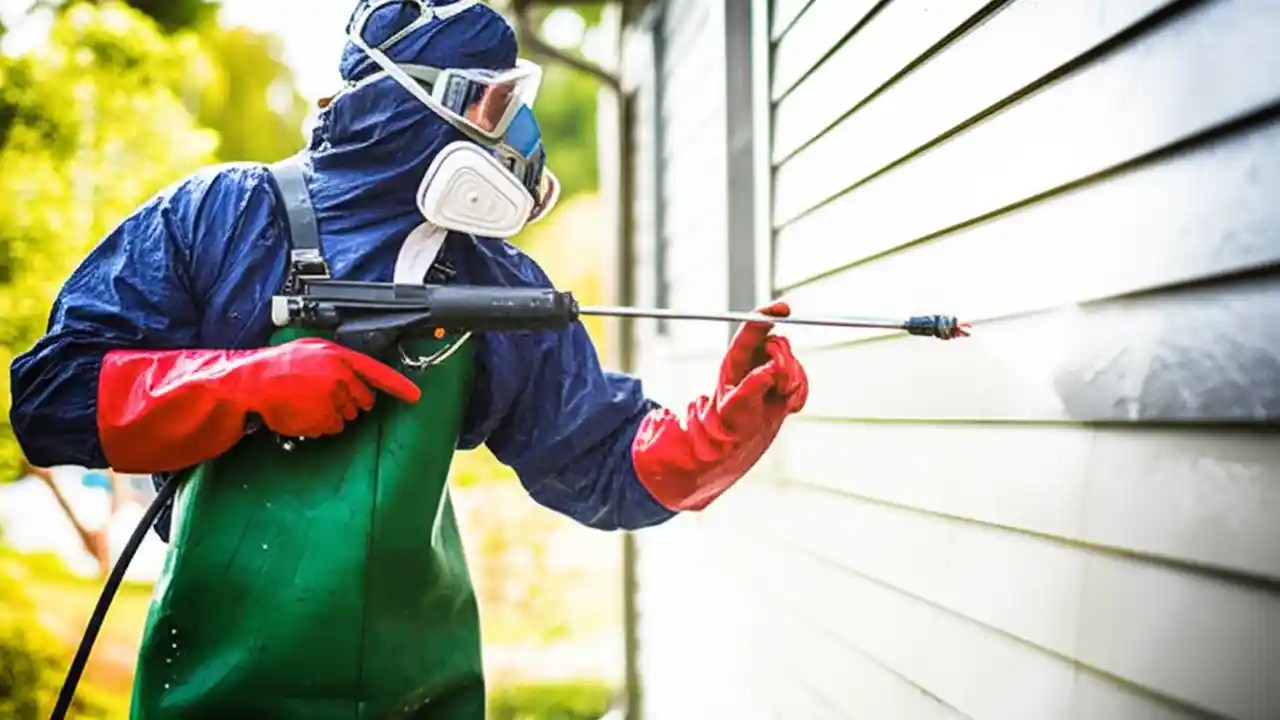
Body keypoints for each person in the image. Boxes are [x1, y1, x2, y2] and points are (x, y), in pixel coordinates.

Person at [7, 1, 809, 717]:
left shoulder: (494, 281)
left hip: (423, 693)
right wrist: (248, 385)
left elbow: (602, 459)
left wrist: (716, 431)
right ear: (403, 101)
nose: (513, 141)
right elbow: (51, 401)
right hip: (217, 693)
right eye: (497, 106)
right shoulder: (219, 218)